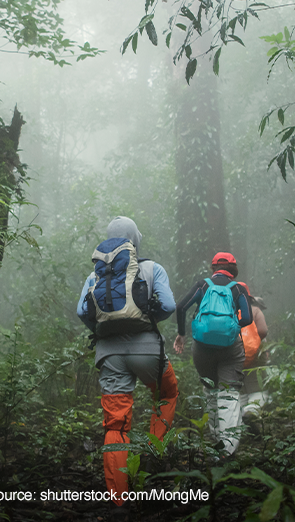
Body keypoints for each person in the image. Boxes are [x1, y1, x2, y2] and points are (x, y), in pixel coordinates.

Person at [77, 216, 178, 510]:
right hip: (148, 351)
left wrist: (103, 329)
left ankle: (118, 501)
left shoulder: (94, 276)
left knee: (116, 425)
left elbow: (82, 311)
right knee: (167, 393)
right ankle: (152, 449)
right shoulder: (151, 268)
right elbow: (169, 305)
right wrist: (146, 318)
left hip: (109, 355)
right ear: (135, 239)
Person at [173, 252, 254, 456]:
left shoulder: (203, 285)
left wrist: (182, 334)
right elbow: (247, 318)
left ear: (214, 268)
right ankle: (227, 449)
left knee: (210, 389)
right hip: (231, 348)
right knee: (229, 393)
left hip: (202, 347)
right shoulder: (238, 288)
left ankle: (215, 438)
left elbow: (181, 307)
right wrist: (232, 327)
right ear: (233, 270)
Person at [240, 296, 270, 422]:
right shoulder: (256, 311)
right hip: (254, 357)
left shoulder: (231, 310)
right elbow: (262, 331)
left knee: (240, 390)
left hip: (233, 357)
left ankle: (238, 417)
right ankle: (251, 411)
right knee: (258, 388)